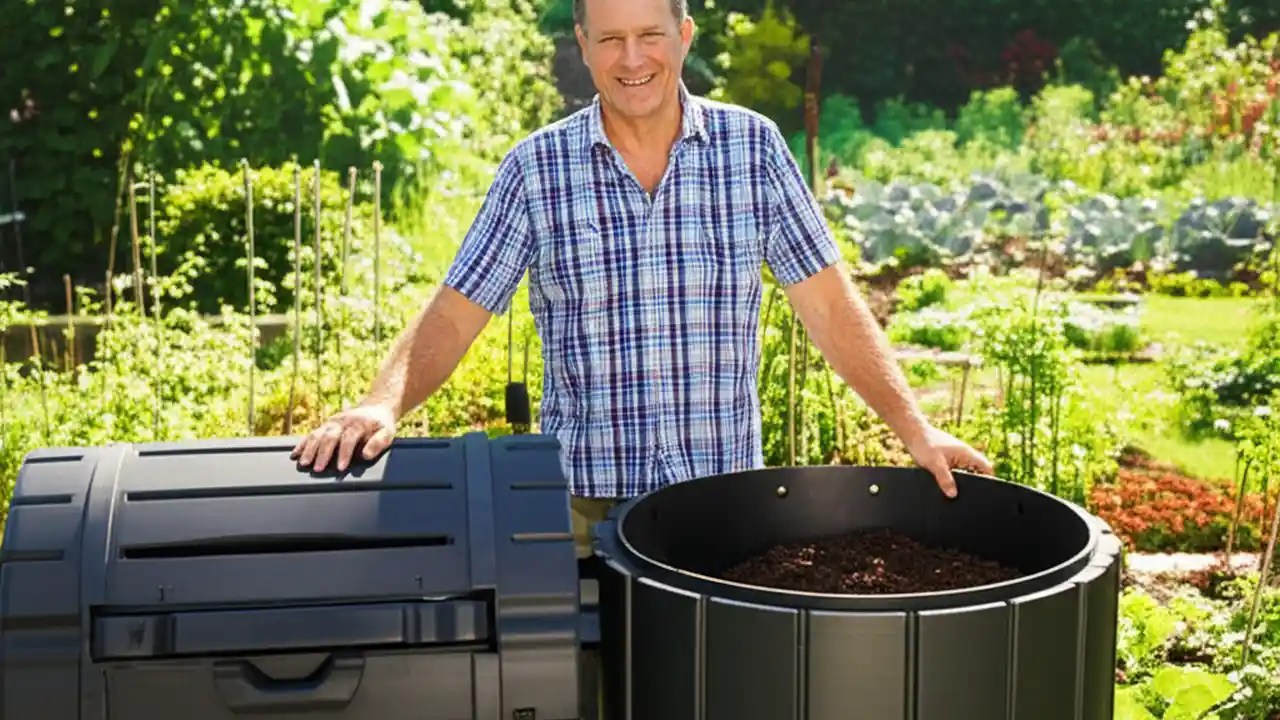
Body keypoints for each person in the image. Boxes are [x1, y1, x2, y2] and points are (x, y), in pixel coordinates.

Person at [291, 0, 993, 558]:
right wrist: (382, 404)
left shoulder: (753, 153)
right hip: (583, 519)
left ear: (684, 36)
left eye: (649, 35)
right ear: (583, 43)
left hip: (724, 514)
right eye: (610, 39)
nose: (632, 59)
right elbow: (453, 313)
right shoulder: (537, 171)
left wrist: (915, 429)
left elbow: (833, 309)